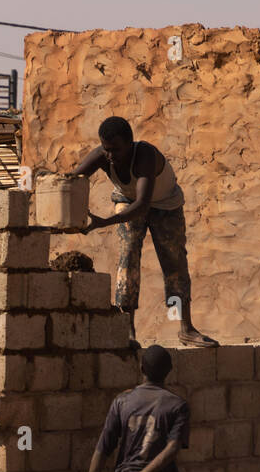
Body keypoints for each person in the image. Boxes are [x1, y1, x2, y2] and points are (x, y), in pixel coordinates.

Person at [70, 116, 216, 348]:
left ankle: (185, 328)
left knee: (174, 264)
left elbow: (142, 205)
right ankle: (127, 329)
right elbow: (73, 180)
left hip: (165, 205)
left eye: (115, 150)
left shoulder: (145, 156)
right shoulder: (102, 155)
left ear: (130, 143)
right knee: (128, 259)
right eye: (106, 149)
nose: (110, 156)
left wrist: (104, 222)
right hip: (127, 201)